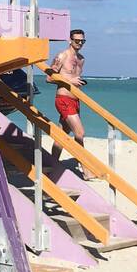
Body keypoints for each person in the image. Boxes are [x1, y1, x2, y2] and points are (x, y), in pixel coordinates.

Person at [47, 28, 87, 171]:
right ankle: (86, 169)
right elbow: (49, 77)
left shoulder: (81, 59)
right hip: (63, 98)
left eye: (83, 41)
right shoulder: (62, 56)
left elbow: (76, 79)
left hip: (75, 101)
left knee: (62, 135)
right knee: (80, 133)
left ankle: (52, 164)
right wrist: (70, 80)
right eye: (77, 40)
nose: (80, 43)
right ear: (70, 40)